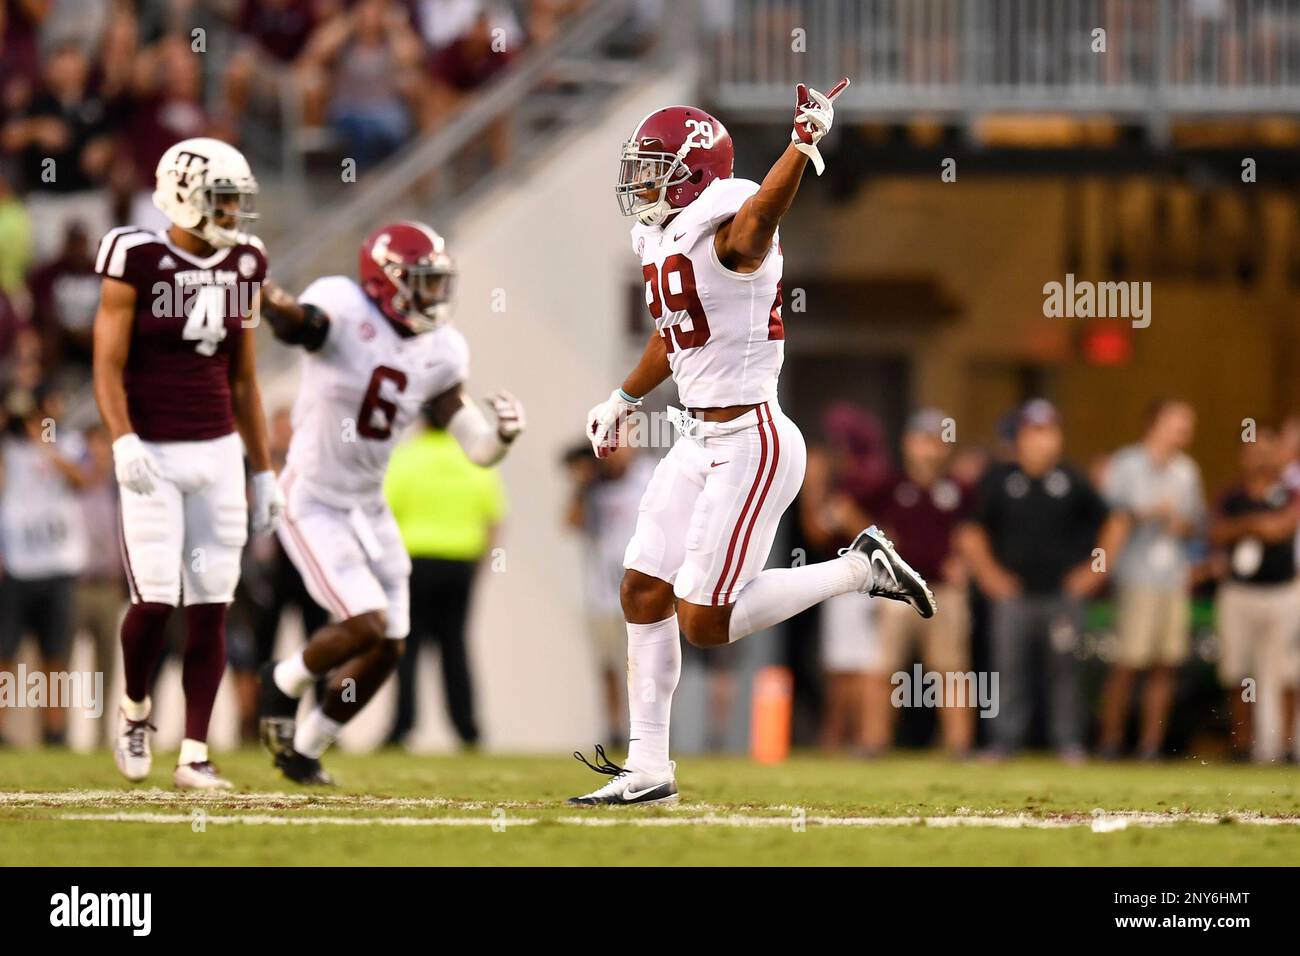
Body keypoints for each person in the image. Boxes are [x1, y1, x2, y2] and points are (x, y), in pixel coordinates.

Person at [570, 81, 936, 806]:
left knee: (704, 621)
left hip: (751, 441)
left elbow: (757, 223)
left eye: (656, 165)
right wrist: (623, 397)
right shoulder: (660, 231)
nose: (642, 180)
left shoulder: (731, 222)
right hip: (695, 437)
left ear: (696, 174)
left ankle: (859, 569)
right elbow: (675, 332)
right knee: (642, 589)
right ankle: (649, 767)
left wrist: (800, 146)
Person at [255, 220, 524, 784]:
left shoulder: (442, 349)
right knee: (366, 623)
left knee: (390, 646)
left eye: (437, 283)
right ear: (388, 280)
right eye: (423, 282)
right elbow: (296, 327)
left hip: (369, 506)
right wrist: (268, 295)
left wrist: (500, 438)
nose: (434, 295)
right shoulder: (342, 305)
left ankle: (307, 749)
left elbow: (474, 444)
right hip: (312, 496)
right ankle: (282, 681)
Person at [92, 137, 282, 789]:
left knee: (212, 606)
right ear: (183, 195)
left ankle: (194, 751)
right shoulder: (135, 255)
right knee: (153, 602)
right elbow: (107, 364)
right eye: (222, 200)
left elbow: (246, 378)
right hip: (152, 450)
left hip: (218, 453)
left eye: (236, 201)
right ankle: (136, 708)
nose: (233, 214)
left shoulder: (247, 261)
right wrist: (122, 439)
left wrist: (263, 470)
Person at [959, 399, 1126, 761]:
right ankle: (1004, 740)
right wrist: (990, 575)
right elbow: (971, 532)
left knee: (1065, 669)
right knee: (1007, 667)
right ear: (1020, 438)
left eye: (1048, 432)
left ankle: (1068, 741)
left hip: (1061, 595)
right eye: (1034, 433)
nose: (1041, 441)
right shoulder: (1001, 480)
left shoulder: (1071, 479)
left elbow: (1114, 522)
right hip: (1014, 595)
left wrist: (1096, 571)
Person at [384, 406, 507, 747]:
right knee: (455, 647)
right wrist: (480, 567)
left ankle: (401, 727)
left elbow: (385, 516)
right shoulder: (474, 460)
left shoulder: (405, 458)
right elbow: (494, 519)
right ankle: (467, 729)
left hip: (414, 563)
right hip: (460, 564)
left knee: (406, 649)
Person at [1096, 400, 1204, 760]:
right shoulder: (1127, 464)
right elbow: (1110, 516)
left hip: (1172, 576)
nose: (1185, 432)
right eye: (1178, 424)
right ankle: (1111, 740)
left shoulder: (1187, 471)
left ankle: (1150, 745)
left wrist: (1181, 523)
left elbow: (1196, 523)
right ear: (1154, 425)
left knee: (1165, 664)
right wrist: (1147, 512)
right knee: (1128, 662)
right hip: (1136, 574)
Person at [866, 408, 975, 757]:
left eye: (936, 441)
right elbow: (854, 514)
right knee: (884, 667)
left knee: (951, 669)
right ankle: (874, 741)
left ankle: (960, 744)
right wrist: (881, 551)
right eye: (923, 440)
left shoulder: (958, 490)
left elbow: (971, 533)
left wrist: (964, 562)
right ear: (909, 444)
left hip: (943, 589)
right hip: (897, 590)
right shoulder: (890, 486)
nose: (930, 449)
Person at [0, 383, 90, 746]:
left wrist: (46, 446)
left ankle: (55, 732)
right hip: (20, 565)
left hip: (58, 564)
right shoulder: (10, 449)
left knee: (55, 656)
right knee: (4, 655)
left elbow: (83, 479)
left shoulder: (67, 443)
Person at [1210, 423, 1300, 761]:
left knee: (1288, 672)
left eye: (1266, 450)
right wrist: (1253, 524)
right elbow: (1217, 533)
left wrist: (1248, 526)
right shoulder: (1232, 494)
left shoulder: (1289, 491)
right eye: (1253, 451)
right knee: (1239, 672)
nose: (1260, 458)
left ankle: (1287, 746)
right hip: (1240, 593)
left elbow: (1281, 528)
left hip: (1282, 592)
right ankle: (1242, 745)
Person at [563, 442, 655, 748]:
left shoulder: (647, 476)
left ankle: (647, 727)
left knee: (644, 665)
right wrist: (581, 486)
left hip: (642, 591)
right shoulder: (594, 488)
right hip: (601, 592)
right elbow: (570, 522)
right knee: (609, 666)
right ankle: (615, 729)